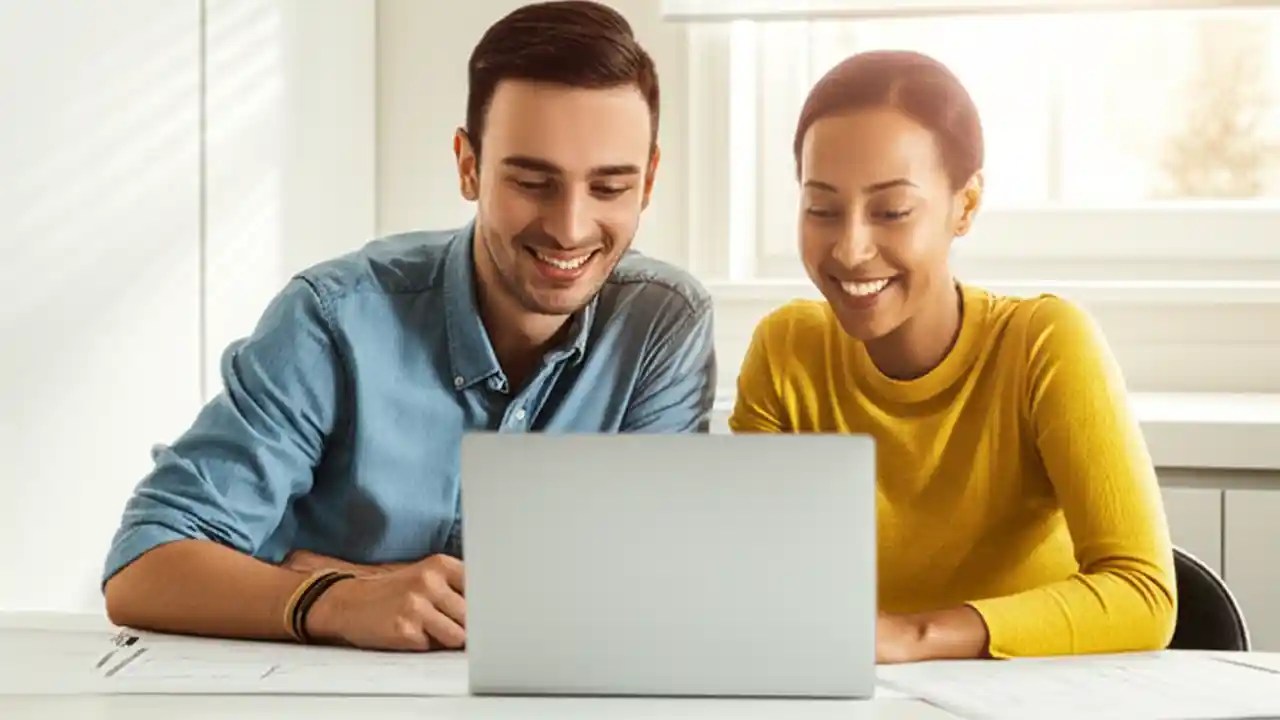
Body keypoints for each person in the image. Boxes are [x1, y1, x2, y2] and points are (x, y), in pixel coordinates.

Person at [103, 1, 715, 652]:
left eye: (609, 187)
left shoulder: (662, 326)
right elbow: (143, 565)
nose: (569, 227)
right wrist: (336, 602)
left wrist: (349, 573)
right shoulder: (335, 316)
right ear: (468, 165)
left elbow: (650, 588)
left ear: (648, 179)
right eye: (533, 181)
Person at [730, 50, 1176, 663]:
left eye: (892, 212)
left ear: (964, 206)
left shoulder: (1044, 343)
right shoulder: (787, 352)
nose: (851, 248)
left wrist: (915, 637)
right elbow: (747, 577)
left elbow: (1142, 592)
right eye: (822, 210)